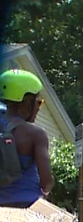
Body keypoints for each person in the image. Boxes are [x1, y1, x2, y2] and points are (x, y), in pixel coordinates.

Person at [0, 69, 54, 207]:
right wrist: (46, 191)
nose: (38, 108)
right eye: (38, 102)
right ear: (26, 101)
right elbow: (46, 182)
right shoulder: (37, 134)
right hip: (27, 207)